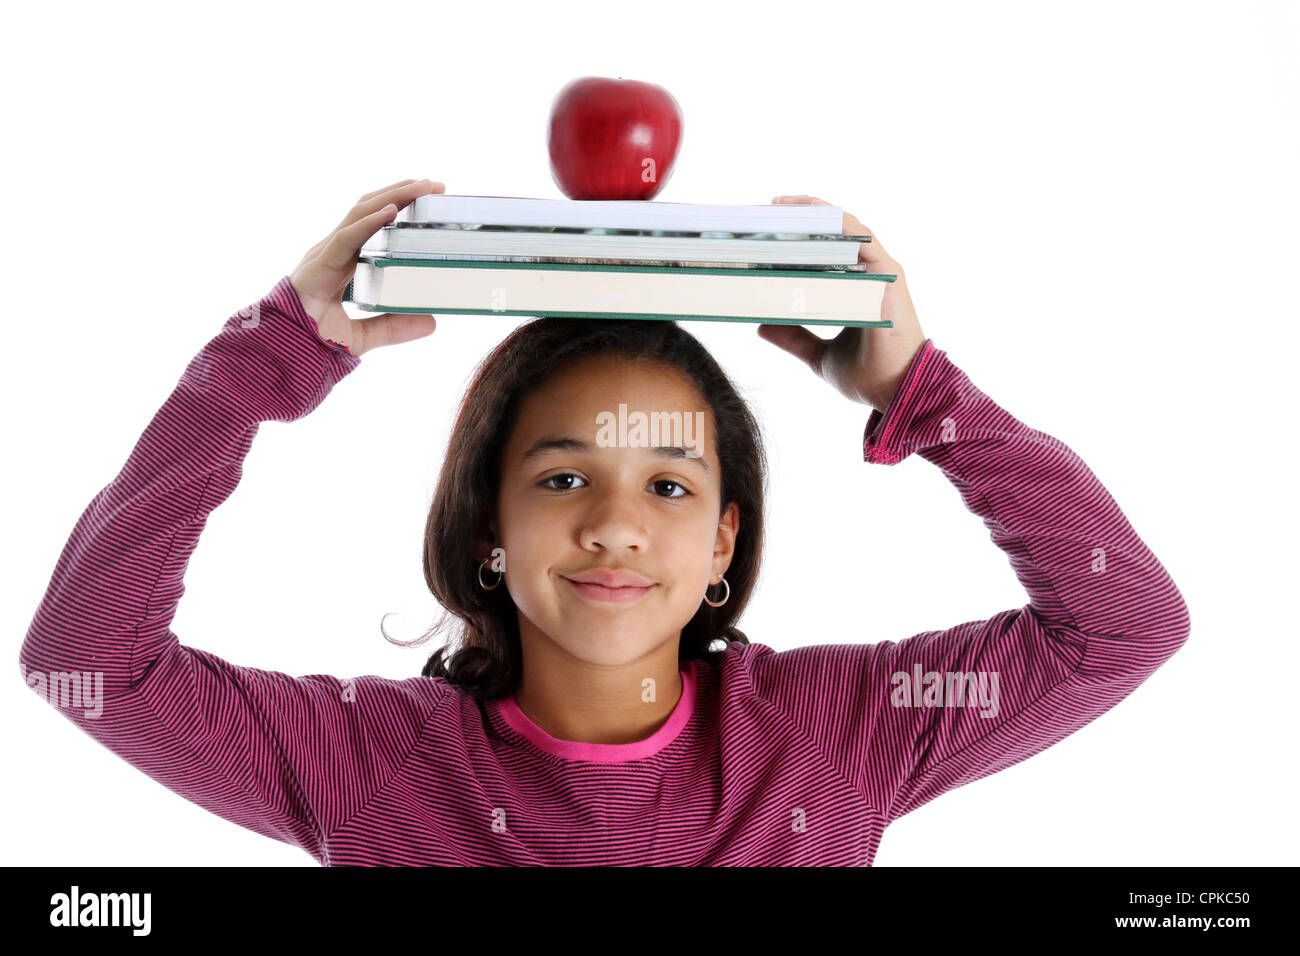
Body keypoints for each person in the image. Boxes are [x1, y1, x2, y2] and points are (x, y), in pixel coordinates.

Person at [20, 178, 1190, 865]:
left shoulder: (841, 734)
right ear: (489, 527)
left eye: (670, 486)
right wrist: (264, 360)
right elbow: (86, 663)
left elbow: (1122, 623)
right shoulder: (364, 762)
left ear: (726, 540)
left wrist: (922, 394)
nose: (617, 529)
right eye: (564, 478)